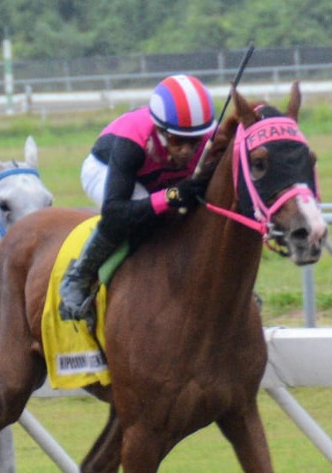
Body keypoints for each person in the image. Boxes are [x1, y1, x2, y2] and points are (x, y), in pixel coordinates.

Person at [58, 74, 216, 321]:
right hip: (105, 169)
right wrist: (171, 196)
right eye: (177, 141)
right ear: (161, 131)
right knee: (141, 217)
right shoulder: (133, 137)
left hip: (156, 175)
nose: (187, 151)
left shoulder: (210, 139)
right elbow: (115, 210)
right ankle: (78, 277)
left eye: (195, 142)